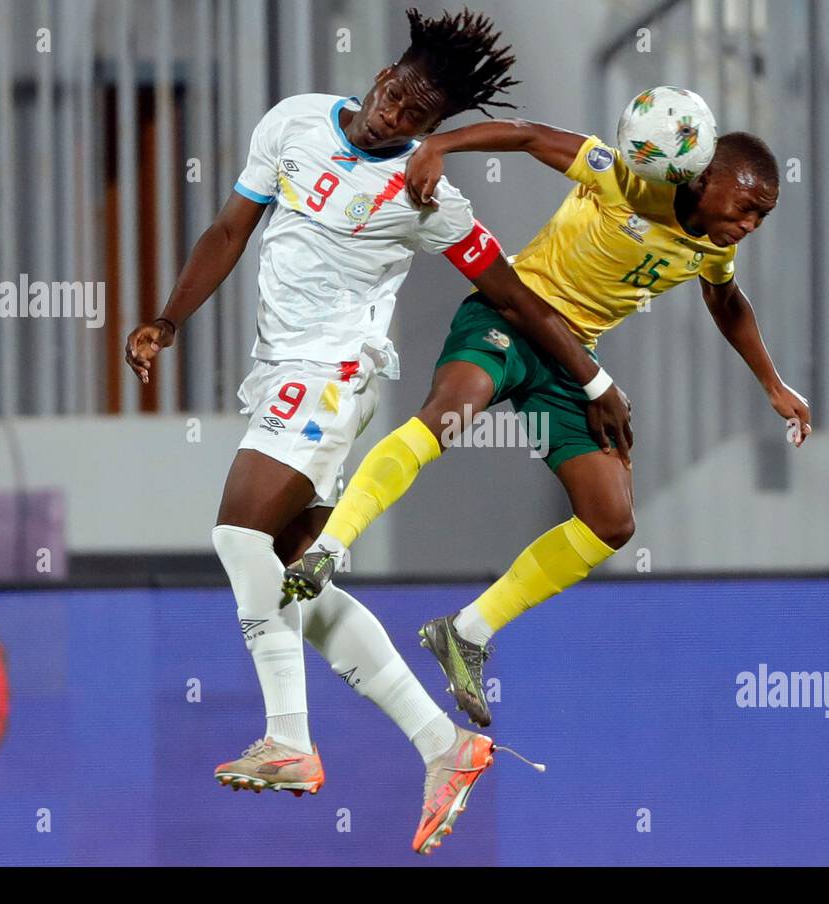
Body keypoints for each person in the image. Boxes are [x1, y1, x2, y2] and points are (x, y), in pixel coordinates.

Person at [123, 8, 610, 855]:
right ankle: (442, 744)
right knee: (291, 583)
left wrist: (594, 378)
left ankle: (289, 740)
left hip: (335, 373)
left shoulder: (429, 197)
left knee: (239, 534)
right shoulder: (293, 121)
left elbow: (515, 299)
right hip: (278, 369)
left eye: (420, 115)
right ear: (384, 73)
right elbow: (229, 229)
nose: (398, 115)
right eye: (397, 94)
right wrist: (168, 318)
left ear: (434, 127)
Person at [283, 112, 811, 730]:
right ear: (702, 177)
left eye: (762, 217)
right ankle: (327, 548)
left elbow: (726, 300)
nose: (749, 224)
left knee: (611, 521)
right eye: (746, 206)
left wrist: (772, 384)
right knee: (449, 417)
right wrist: (439, 145)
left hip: (572, 361)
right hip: (509, 316)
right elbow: (529, 136)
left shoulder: (714, 247)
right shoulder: (625, 179)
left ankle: (465, 632)